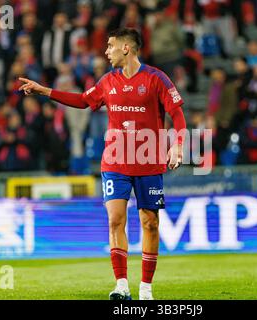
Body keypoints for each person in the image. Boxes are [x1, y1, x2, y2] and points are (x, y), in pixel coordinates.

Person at [18, 28, 186, 300]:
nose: (106, 52)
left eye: (110, 46)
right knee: (116, 219)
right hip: (115, 161)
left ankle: (146, 290)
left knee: (150, 222)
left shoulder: (157, 79)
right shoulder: (108, 81)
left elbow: (176, 113)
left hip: (148, 162)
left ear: (126, 49)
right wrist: (44, 91)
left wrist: (177, 144)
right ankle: (121, 286)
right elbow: (84, 101)